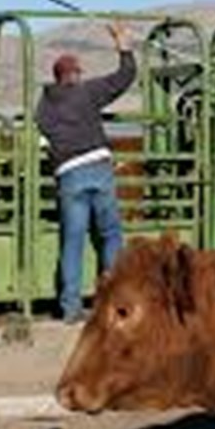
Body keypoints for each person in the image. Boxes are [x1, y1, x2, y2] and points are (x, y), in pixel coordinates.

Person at [36, 20, 136, 324]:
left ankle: (70, 308)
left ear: (56, 77)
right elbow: (125, 76)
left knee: (73, 240)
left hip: (68, 175)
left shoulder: (44, 107)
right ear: (76, 75)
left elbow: (45, 134)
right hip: (98, 168)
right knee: (110, 235)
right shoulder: (87, 92)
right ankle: (114, 304)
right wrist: (123, 44)